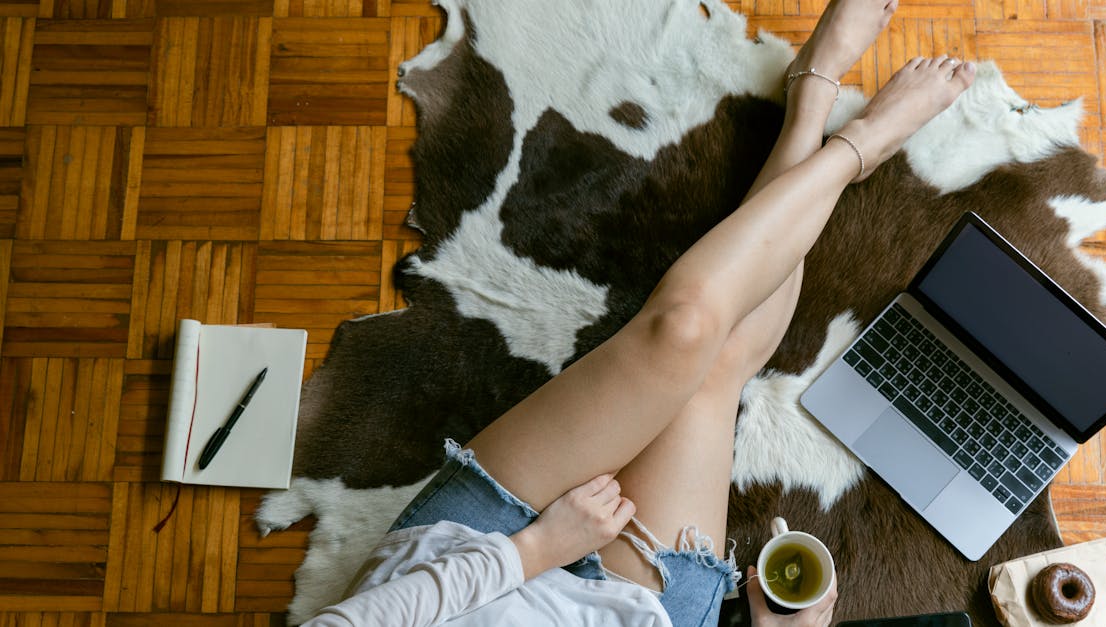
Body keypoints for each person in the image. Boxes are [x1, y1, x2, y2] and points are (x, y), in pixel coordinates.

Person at [304, 0, 976, 623]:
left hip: (474, 558)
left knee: (681, 329)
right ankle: (815, 101)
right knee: (717, 373)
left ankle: (851, 140)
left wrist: (538, 549)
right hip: (638, 608)